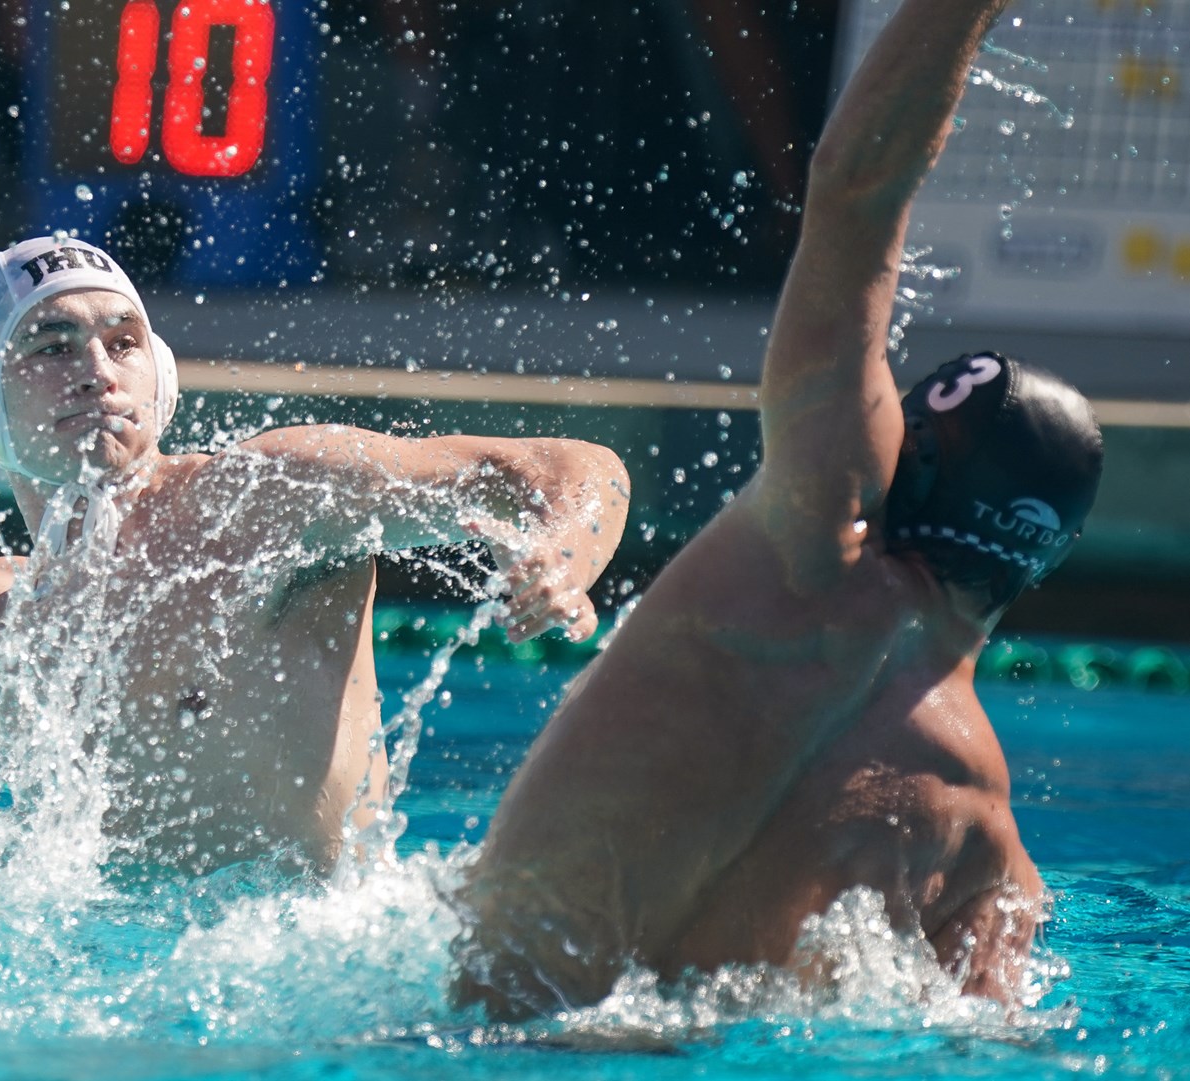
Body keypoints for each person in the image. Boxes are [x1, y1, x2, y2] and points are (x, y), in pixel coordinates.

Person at [450, 0, 1103, 1015]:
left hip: (474, 1031)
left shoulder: (815, 538)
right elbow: (992, 1036)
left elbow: (854, 190)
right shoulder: (986, 850)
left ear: (913, 454)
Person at [0, 236, 630, 874]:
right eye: (51, 347)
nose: (96, 367)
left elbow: (566, 466)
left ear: (159, 374)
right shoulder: (7, 609)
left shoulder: (266, 501)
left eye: (121, 341)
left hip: (313, 977)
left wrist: (565, 549)